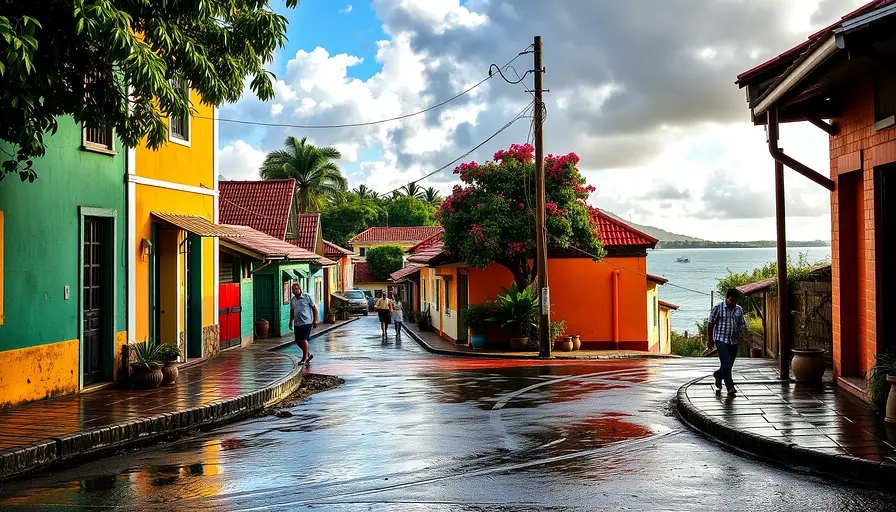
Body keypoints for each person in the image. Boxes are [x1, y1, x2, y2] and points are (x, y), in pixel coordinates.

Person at [708, 288, 747, 396]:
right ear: (727, 298)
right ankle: (730, 387)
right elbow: (710, 324)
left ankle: (718, 374)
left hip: (734, 340)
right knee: (726, 362)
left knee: (729, 364)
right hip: (721, 339)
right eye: (731, 300)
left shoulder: (738, 309)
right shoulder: (718, 308)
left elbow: (742, 324)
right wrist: (710, 339)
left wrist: (745, 337)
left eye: (735, 301)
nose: (733, 303)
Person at [289, 283, 318, 364]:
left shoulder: (306, 296)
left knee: (304, 339)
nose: (294, 291)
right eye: (293, 289)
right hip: (297, 322)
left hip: (306, 322)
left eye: (296, 289)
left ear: (300, 289)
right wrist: (290, 321)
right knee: (298, 341)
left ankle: (305, 358)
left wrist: (315, 320)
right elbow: (292, 311)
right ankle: (308, 354)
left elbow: (314, 308)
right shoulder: (293, 300)